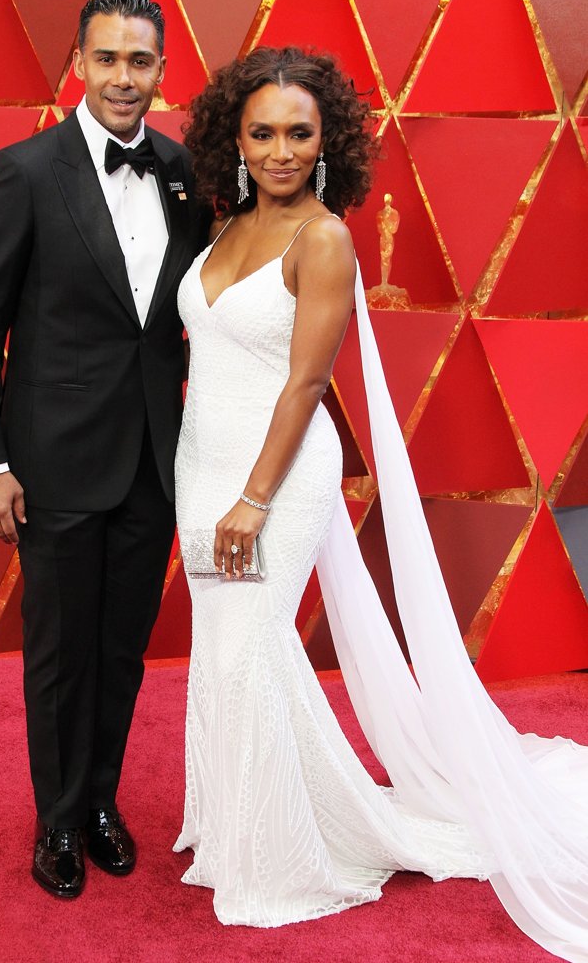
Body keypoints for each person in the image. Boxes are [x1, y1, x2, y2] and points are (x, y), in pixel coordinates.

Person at [173, 47, 588, 958]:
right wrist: (216, 487)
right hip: (200, 467)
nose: (280, 151)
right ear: (234, 140)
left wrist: (252, 500)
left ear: (327, 142)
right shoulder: (229, 222)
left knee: (247, 654)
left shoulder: (321, 238)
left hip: (272, 478)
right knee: (224, 652)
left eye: (299, 134)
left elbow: (304, 382)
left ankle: (282, 857)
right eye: (261, 133)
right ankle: (237, 825)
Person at [0, 0, 205, 898]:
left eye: (140, 60)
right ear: (78, 64)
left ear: (162, 68)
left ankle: (100, 802)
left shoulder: (183, 173)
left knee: (122, 646)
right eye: (107, 58)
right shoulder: (22, 171)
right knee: (60, 650)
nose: (123, 77)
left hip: (153, 459)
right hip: (51, 460)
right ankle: (57, 820)